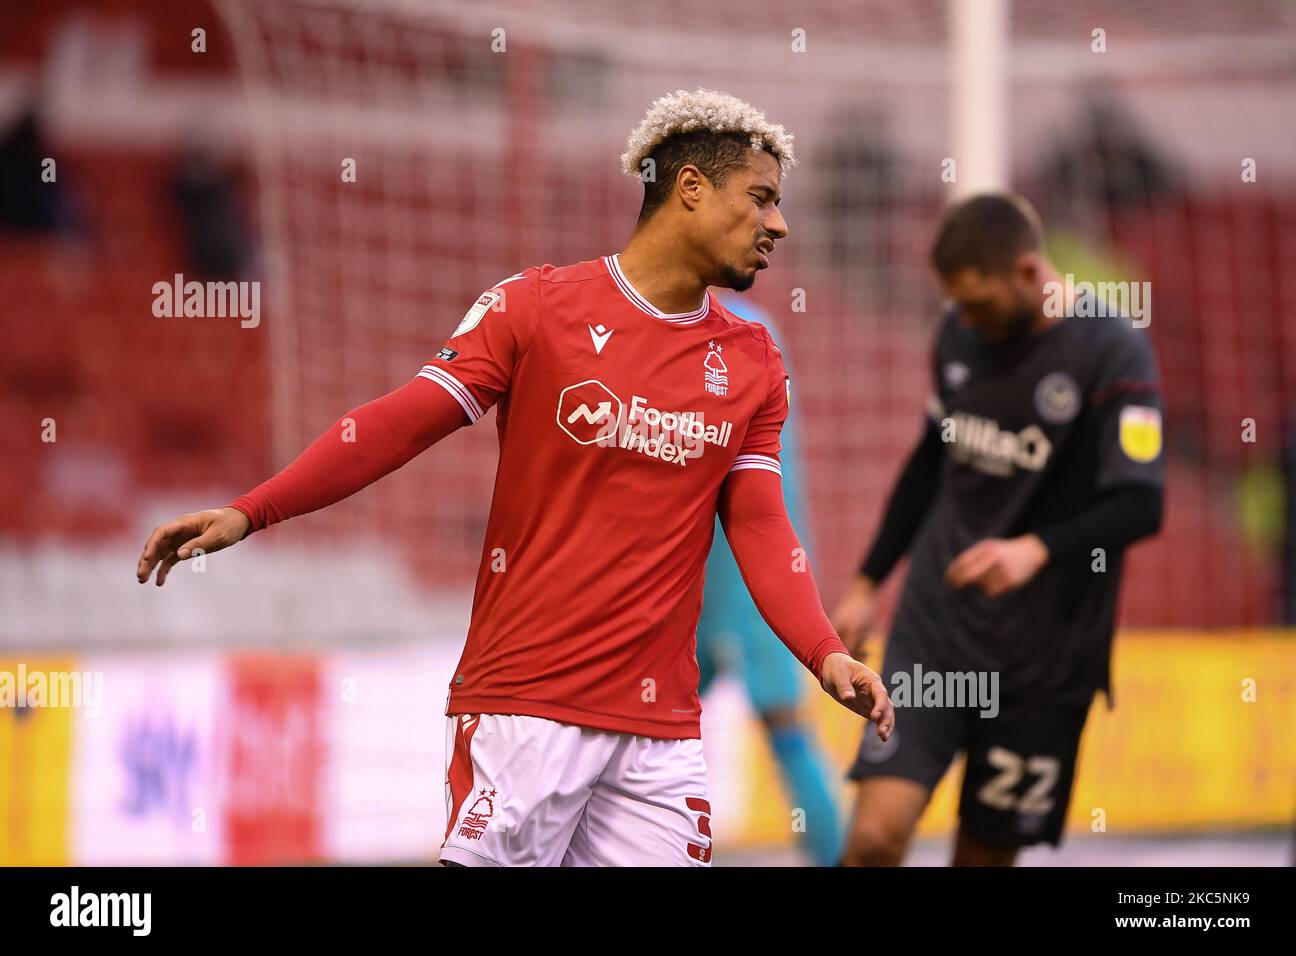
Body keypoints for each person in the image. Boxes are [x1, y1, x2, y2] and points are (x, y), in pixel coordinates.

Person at [136, 89, 894, 867]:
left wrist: (825, 652)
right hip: (524, 711)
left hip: (660, 735)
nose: (779, 224)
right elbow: (398, 424)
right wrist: (251, 512)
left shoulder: (754, 361)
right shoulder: (535, 307)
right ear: (691, 187)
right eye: (762, 199)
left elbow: (763, 525)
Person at [833, 194, 1163, 866]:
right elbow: (930, 462)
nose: (970, 322)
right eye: (961, 306)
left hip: (1046, 662)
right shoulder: (960, 331)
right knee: (872, 839)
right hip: (939, 633)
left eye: (981, 305)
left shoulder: (1115, 353)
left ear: (1027, 272)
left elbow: (1141, 506)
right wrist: (868, 581)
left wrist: (1036, 550)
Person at [697, 293, 843, 866]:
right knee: (786, 729)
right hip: (764, 562)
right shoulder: (761, 329)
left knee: (638, 732)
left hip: (710, 569)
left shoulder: (696, 326)